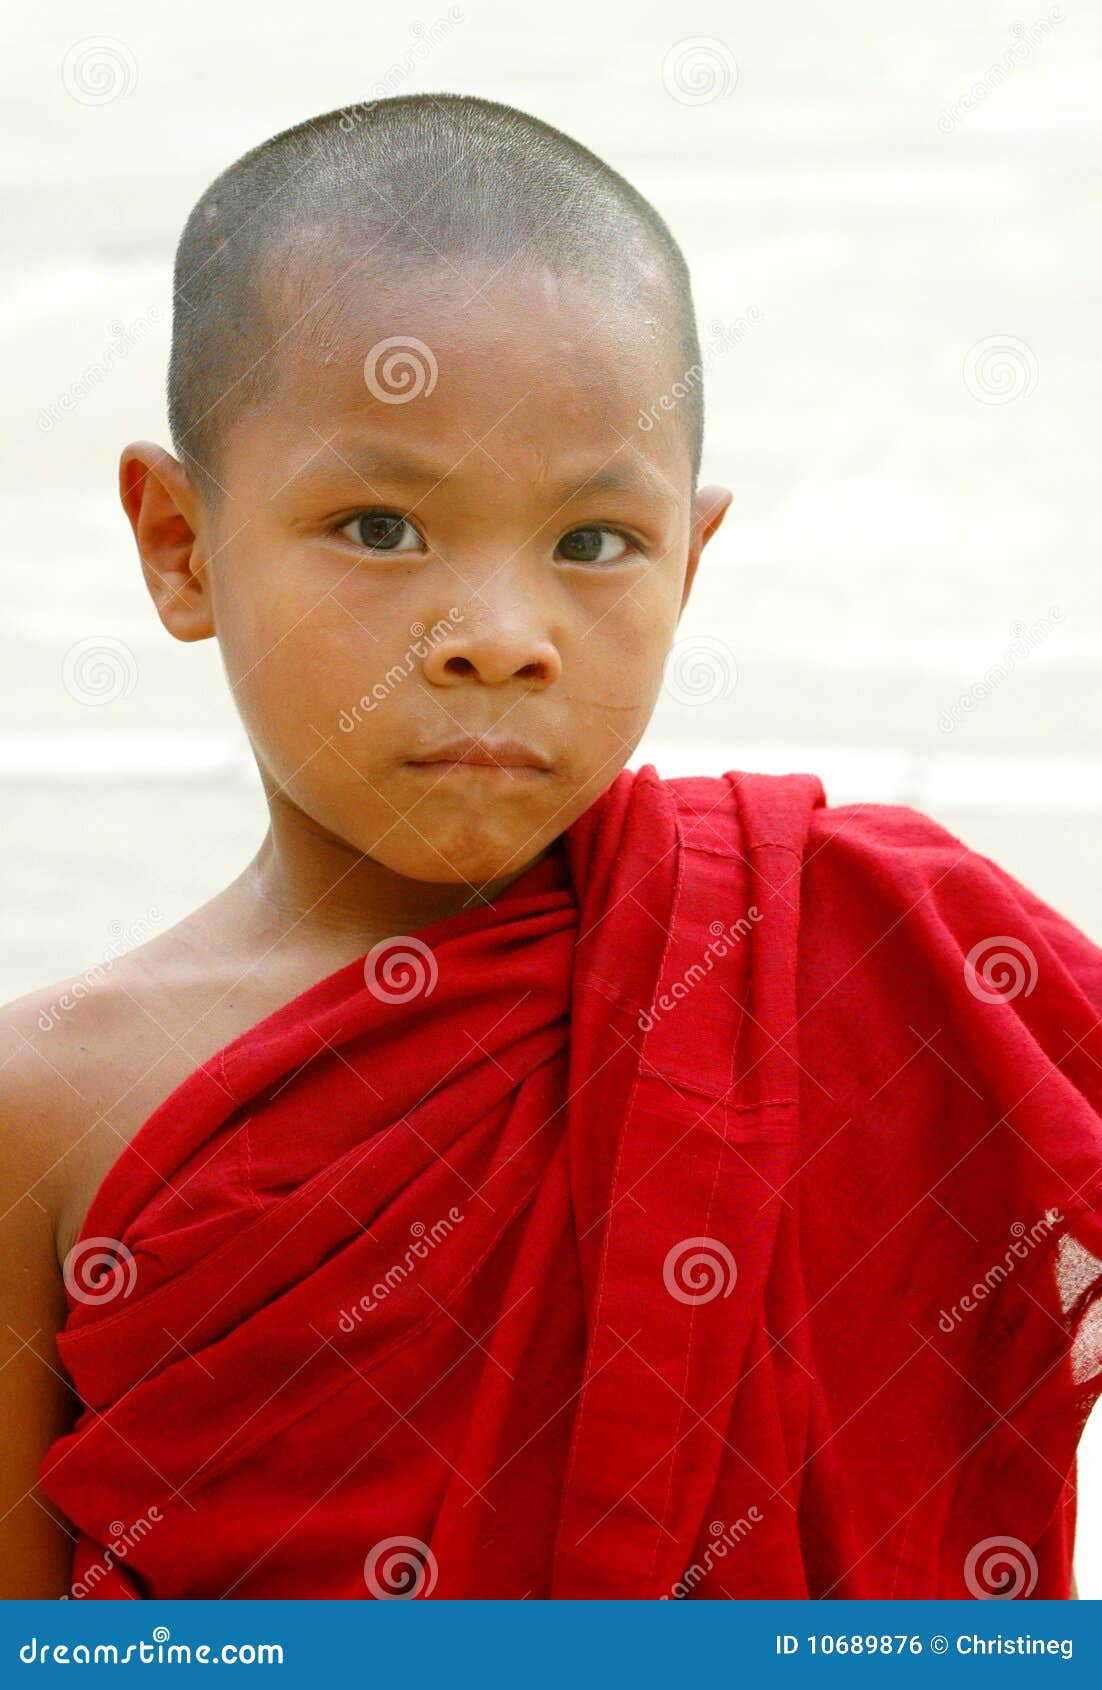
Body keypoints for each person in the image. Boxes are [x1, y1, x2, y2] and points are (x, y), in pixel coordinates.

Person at [1, 92, 1100, 1600]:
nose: (499, 638)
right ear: (181, 543)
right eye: (381, 525)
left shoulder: (864, 938)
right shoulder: (45, 1104)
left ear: (690, 560)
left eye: (593, 543)